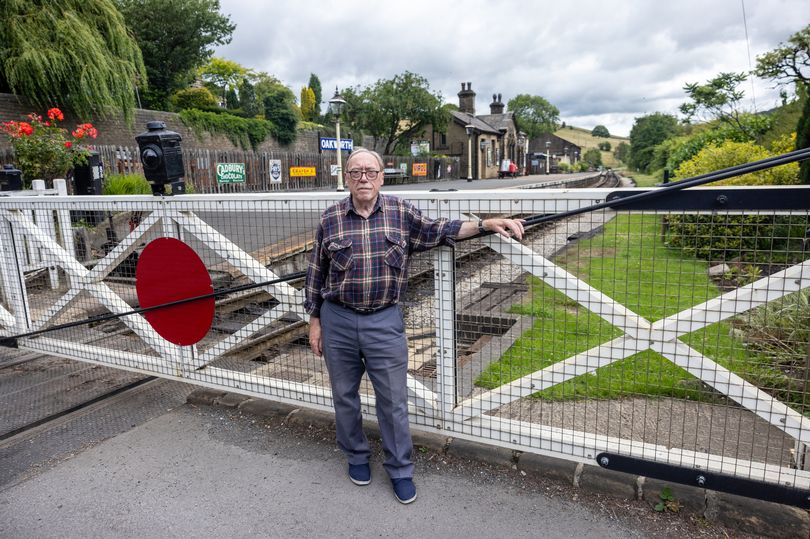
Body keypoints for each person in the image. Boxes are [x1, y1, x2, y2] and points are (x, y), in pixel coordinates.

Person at [304, 148, 524, 504]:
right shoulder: (331, 218)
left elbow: (441, 230)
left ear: (382, 177)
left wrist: (485, 224)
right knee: (344, 396)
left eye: (370, 172)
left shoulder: (400, 212)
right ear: (346, 178)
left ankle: (400, 470)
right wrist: (315, 322)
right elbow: (316, 273)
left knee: (393, 400)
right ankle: (356, 456)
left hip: (384, 320)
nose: (363, 178)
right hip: (338, 318)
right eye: (356, 172)